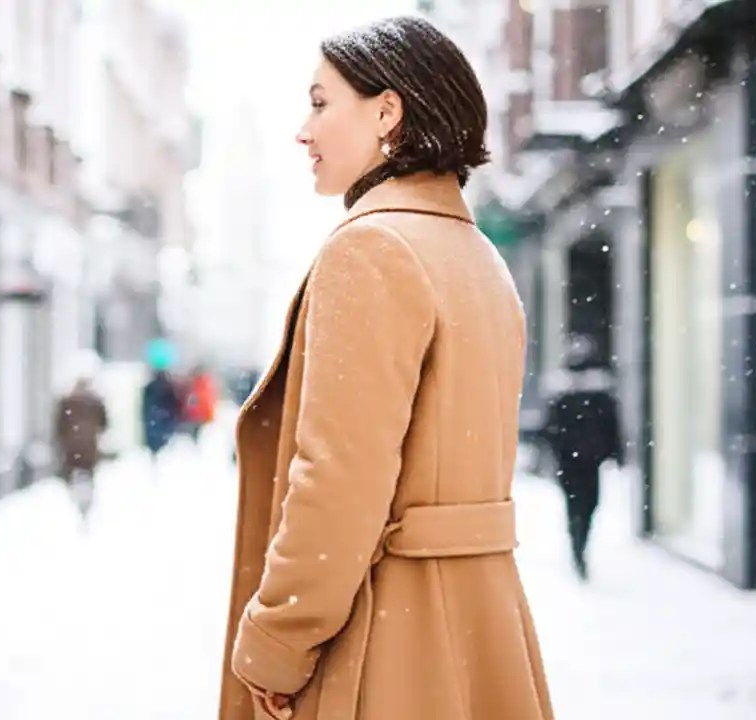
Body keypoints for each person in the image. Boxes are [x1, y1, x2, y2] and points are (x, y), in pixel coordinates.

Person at [219, 17, 553, 720]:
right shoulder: (476, 257)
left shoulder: (370, 250)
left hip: (389, 642)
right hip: (478, 629)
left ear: (386, 111)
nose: (302, 132)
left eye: (319, 103)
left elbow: (337, 483)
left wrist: (277, 641)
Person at [539, 336, 624, 581]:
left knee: (583, 505)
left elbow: (611, 426)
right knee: (584, 505)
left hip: (580, 461)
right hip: (578, 461)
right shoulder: (569, 392)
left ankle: (578, 542)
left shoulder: (592, 392)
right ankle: (578, 544)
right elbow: (550, 429)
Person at [54, 371, 108, 522]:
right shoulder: (94, 402)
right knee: (88, 476)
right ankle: (86, 506)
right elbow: (104, 424)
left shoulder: (67, 402)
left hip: (72, 449)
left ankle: (78, 504)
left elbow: (59, 427)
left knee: (73, 476)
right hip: (89, 448)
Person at [141, 367, 179, 465]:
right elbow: (174, 404)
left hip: (153, 417)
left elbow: (145, 404)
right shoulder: (169, 387)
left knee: (154, 439)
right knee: (163, 440)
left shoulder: (149, 387)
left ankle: (154, 458)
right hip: (164, 417)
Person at [181, 365, 219, 444]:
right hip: (204, 416)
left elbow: (193, 402)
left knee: (197, 435)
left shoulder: (195, 385)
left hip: (197, 417)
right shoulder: (207, 384)